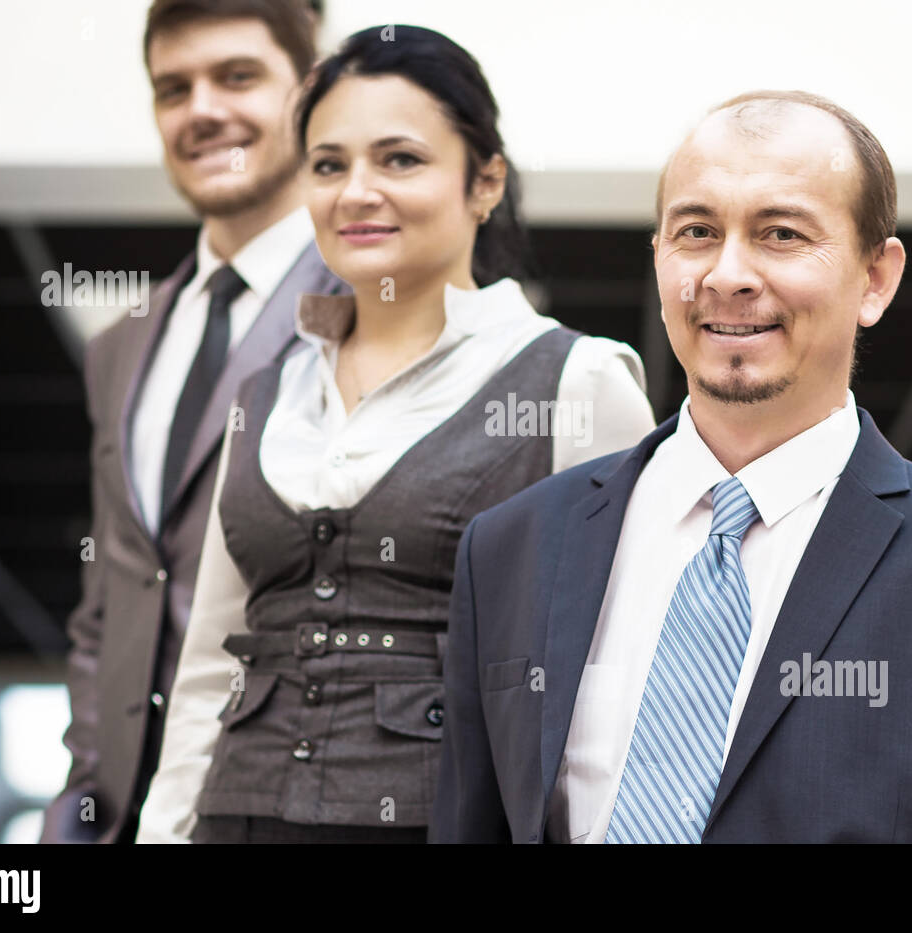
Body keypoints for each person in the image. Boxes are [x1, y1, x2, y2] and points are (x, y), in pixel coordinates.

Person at [430, 90, 912, 844]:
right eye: (697, 232)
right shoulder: (510, 548)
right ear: (659, 258)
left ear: (876, 278)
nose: (727, 275)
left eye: (782, 234)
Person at [136, 25, 656, 844]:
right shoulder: (265, 392)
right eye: (328, 165)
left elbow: (622, 672)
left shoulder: (577, 380)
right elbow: (209, 665)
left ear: (485, 181)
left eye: (400, 160)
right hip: (236, 819)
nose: (357, 192)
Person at [42, 0, 348, 844]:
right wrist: (80, 801)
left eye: (237, 77)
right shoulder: (122, 345)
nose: (202, 109)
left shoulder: (367, 307)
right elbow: (109, 603)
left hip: (278, 812)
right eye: (173, 89)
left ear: (310, 91)